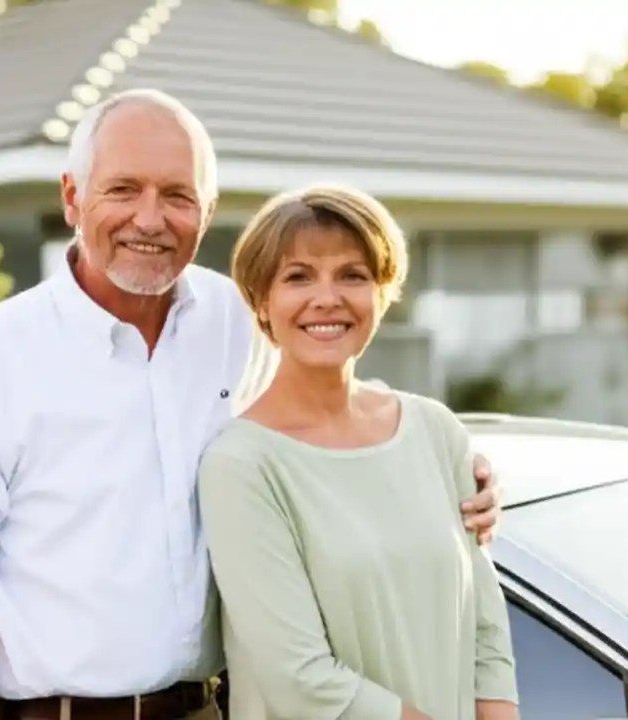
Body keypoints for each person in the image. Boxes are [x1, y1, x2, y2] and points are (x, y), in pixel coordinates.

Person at [0, 88, 501, 720]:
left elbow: (331, 422)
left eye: (178, 196)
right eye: (123, 189)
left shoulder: (241, 322)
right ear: (73, 196)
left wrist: (463, 475)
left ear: (207, 212)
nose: (150, 219)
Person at [197, 184, 521, 720]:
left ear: (383, 292)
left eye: (353, 275)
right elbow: (299, 676)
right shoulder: (241, 465)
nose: (328, 298)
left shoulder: (436, 431)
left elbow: (487, 632)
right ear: (261, 301)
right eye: (298, 277)